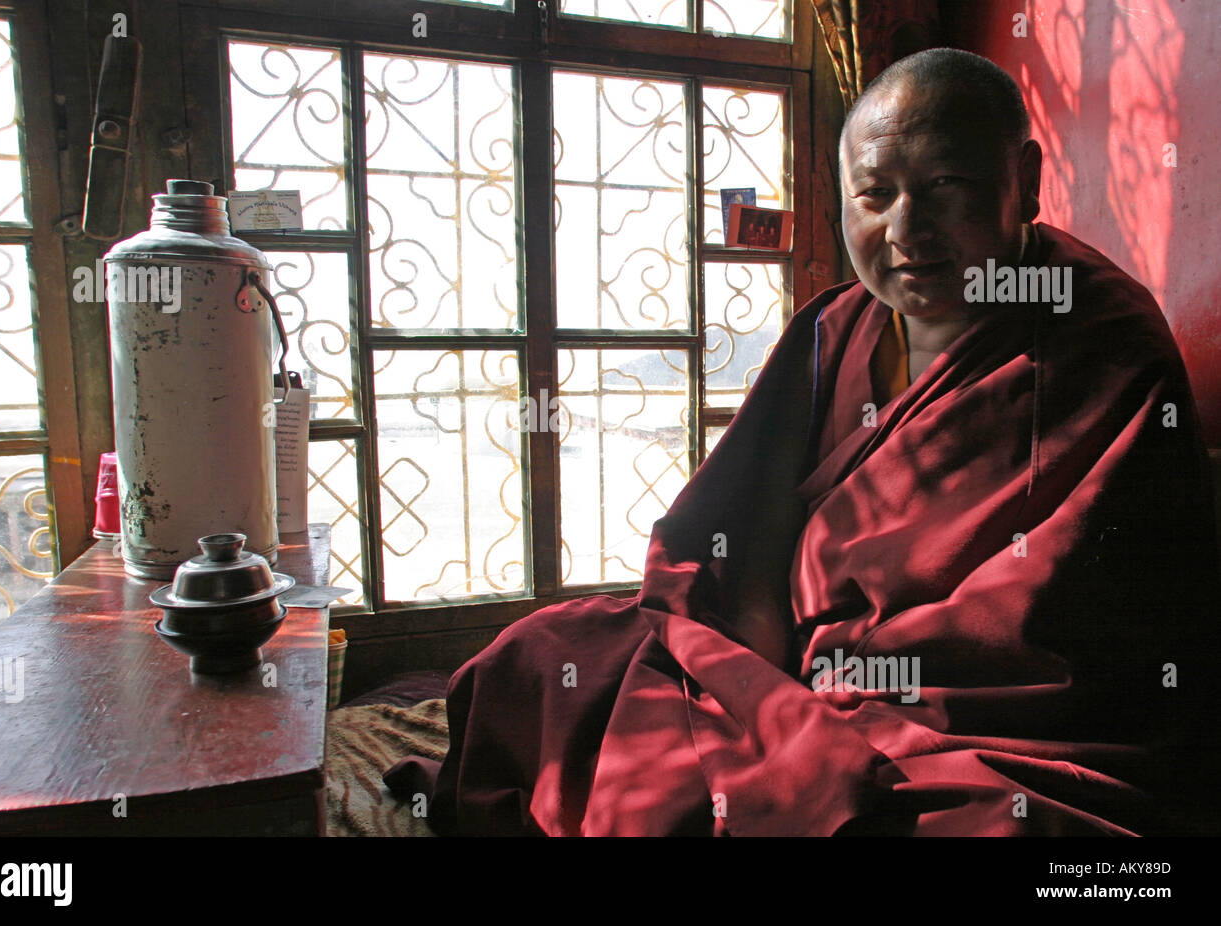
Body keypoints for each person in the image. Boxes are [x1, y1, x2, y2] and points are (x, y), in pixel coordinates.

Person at [385, 48, 1220, 836]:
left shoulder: (1102, 343)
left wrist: (826, 708)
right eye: (875, 194)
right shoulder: (836, 326)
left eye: (947, 185)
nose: (907, 227)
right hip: (780, 655)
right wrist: (758, 686)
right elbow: (745, 526)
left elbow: (1093, 622)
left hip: (956, 714)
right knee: (535, 656)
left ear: (1025, 181)